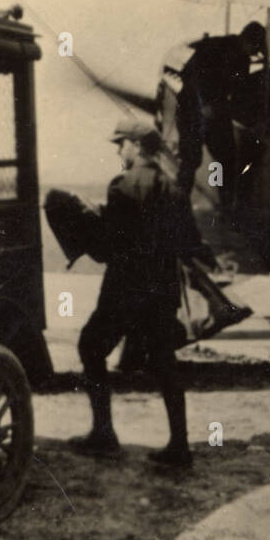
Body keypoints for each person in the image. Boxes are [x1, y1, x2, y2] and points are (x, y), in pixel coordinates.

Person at [70, 119, 205, 468]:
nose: (119, 151)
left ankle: (104, 434)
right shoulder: (174, 189)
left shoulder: (122, 186)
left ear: (136, 145)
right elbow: (189, 244)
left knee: (90, 346)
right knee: (164, 364)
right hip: (161, 291)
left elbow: (107, 248)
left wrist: (89, 218)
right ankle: (180, 446)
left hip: (124, 291)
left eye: (121, 144)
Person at [173, 20, 269, 211]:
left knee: (224, 157)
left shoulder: (243, 59)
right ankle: (179, 204)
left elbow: (238, 90)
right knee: (190, 159)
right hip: (192, 109)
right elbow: (189, 76)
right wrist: (205, 104)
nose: (253, 54)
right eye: (253, 48)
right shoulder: (214, 47)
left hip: (216, 112)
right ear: (246, 40)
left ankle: (223, 202)